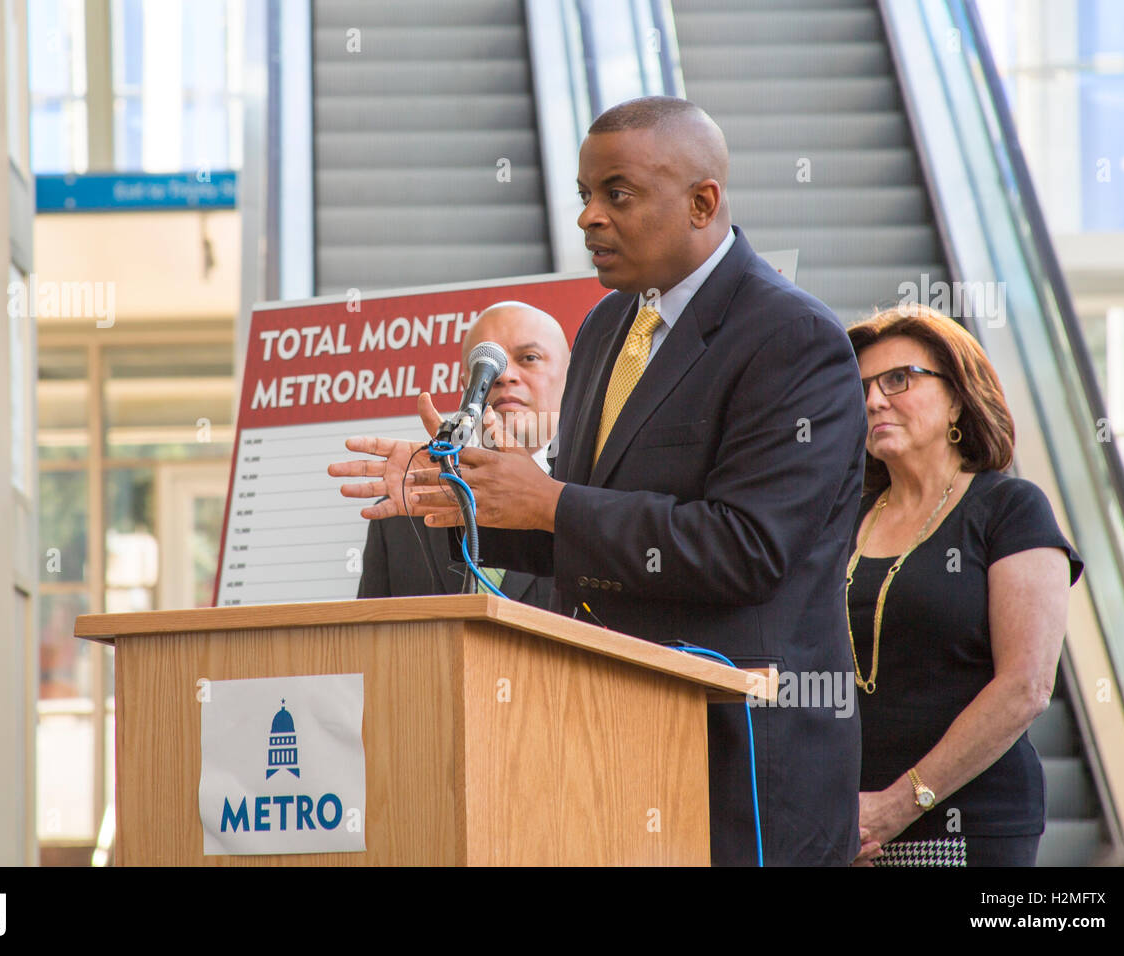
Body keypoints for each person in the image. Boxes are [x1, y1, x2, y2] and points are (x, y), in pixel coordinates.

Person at [330, 96, 867, 866]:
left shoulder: (792, 337)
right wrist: (463, 503)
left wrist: (551, 502)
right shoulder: (607, 326)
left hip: (739, 764)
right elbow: (577, 528)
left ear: (702, 202)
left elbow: (748, 548)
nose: (589, 218)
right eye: (584, 194)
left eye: (617, 194)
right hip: (604, 750)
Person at [846, 303, 1083, 867]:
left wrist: (896, 805)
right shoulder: (842, 518)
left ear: (956, 395)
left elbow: (1026, 686)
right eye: (863, 388)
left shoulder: (1009, 508)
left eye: (898, 380)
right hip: (848, 833)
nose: (875, 400)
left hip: (965, 829)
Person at [357, 301, 569, 607]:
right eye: (486, 366)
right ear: (466, 386)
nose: (504, 375)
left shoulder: (593, 498)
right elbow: (371, 642)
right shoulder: (403, 514)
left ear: (571, 377)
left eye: (529, 358)